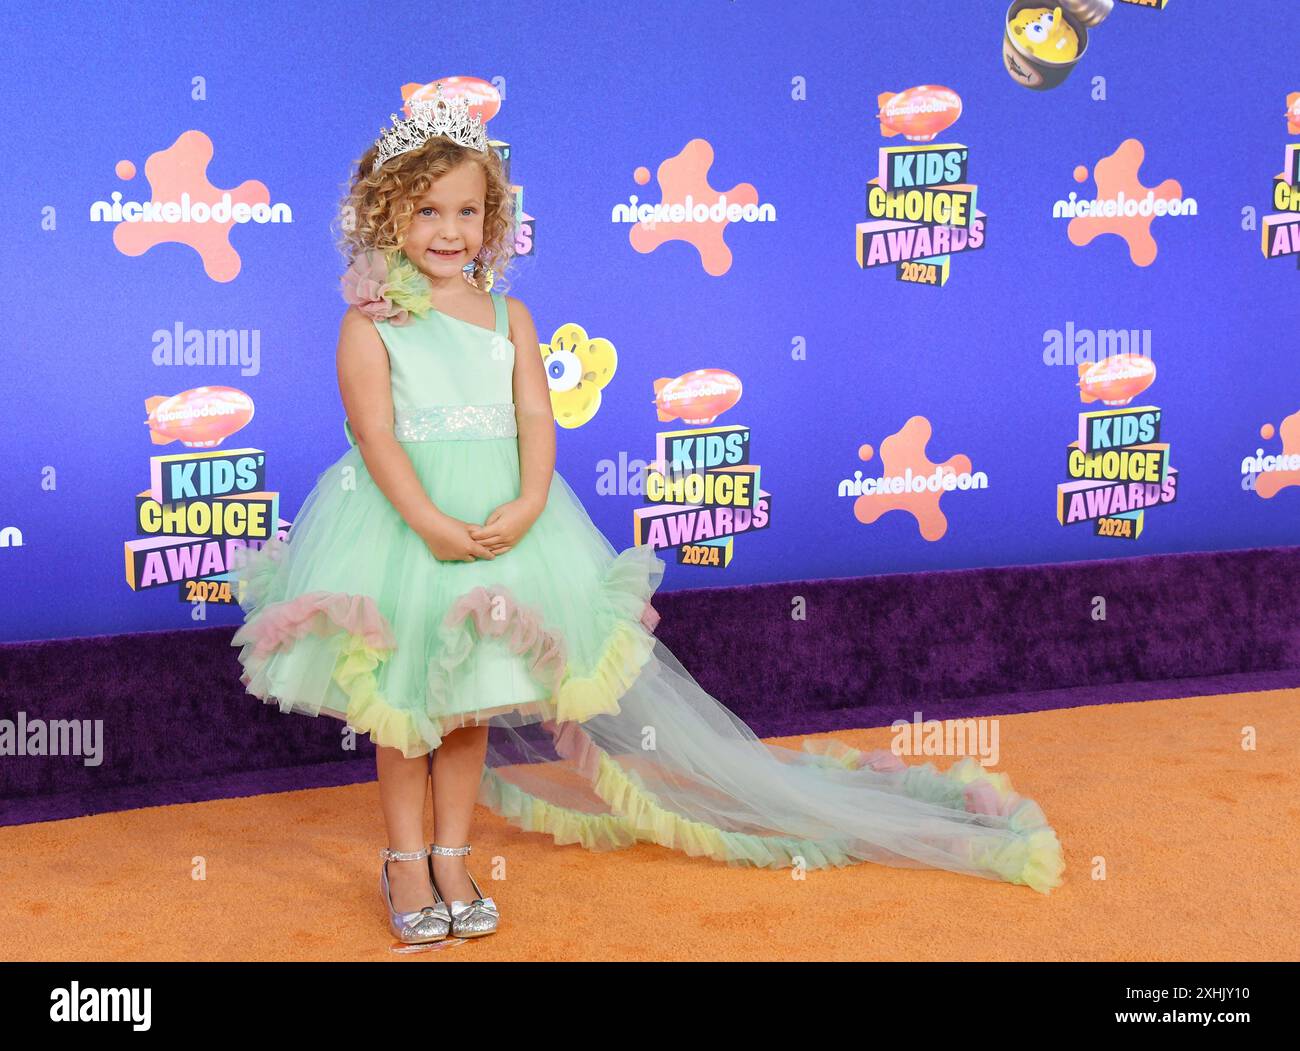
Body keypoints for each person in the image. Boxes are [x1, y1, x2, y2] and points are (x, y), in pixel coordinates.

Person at [230, 88, 1065, 946]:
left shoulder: (509, 317)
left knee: (471, 699)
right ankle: (404, 858)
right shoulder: (372, 326)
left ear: (494, 218)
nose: (450, 230)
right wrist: (431, 524)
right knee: (407, 708)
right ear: (387, 215)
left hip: (505, 524)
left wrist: (526, 500)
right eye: (428, 210)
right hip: (408, 529)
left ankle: (452, 850)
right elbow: (374, 437)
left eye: (469, 211)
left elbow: (533, 420)